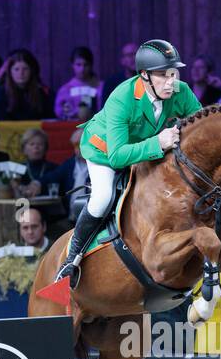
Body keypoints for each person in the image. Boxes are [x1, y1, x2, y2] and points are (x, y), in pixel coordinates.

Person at [57, 39, 203, 287]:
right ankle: (72, 259)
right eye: (162, 75)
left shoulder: (181, 90)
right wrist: (158, 143)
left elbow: (200, 126)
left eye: (173, 73)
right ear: (144, 75)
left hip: (146, 148)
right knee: (103, 198)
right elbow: (118, 157)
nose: (170, 81)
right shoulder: (121, 98)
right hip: (104, 152)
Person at [0, 49, 52, 121]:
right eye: (16, 69)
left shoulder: (41, 92)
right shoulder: (1, 93)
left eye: (25, 69)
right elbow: (0, 122)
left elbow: (48, 119)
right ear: (10, 72)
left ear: (31, 71)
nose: (21, 73)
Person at [54, 46, 101, 121]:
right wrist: (76, 113)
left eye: (86, 65)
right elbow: (59, 112)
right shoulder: (65, 90)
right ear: (72, 65)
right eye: (78, 65)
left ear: (91, 65)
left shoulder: (100, 87)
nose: (82, 69)